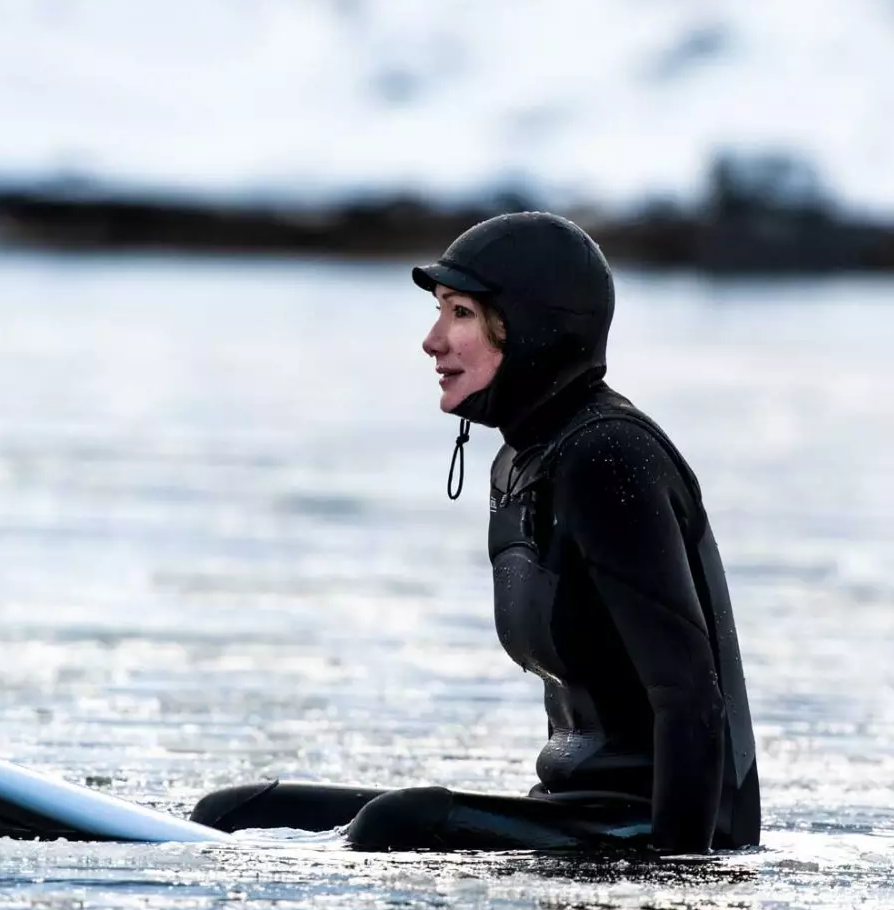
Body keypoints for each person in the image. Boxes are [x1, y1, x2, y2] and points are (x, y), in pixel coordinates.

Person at [192, 212, 759, 853]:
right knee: (237, 812)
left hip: (660, 828)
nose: (432, 341)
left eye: (459, 313)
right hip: (576, 810)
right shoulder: (525, 456)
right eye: (440, 311)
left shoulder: (607, 455)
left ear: (531, 326)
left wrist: (678, 879)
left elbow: (690, 699)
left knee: (398, 823)